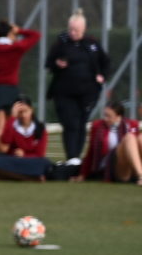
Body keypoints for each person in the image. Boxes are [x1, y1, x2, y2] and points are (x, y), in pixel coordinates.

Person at [45, 10, 109, 163]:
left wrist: (102, 76)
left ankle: (76, 158)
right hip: (64, 92)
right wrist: (57, 64)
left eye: (77, 30)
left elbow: (105, 62)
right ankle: (72, 156)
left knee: (81, 124)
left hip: (88, 93)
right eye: (71, 30)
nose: (73, 33)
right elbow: (49, 63)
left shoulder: (92, 44)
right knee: (70, 123)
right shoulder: (61, 43)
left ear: (84, 29)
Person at [0, 19, 40, 136]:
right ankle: (5, 153)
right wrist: (19, 30)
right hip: (11, 90)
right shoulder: (16, 48)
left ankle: (0, 153)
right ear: (10, 34)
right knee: (10, 128)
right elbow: (35, 35)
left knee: (0, 128)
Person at [0, 97, 51, 181]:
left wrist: (25, 155)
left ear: (31, 110)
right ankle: (29, 177)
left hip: (31, 162)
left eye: (26, 111)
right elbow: (5, 141)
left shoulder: (40, 129)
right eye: (20, 112)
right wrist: (12, 118)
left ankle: (8, 175)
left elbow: (40, 154)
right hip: (13, 161)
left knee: (44, 163)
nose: (23, 115)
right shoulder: (13, 125)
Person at [78, 101, 142, 184]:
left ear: (118, 117)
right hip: (113, 168)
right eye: (105, 115)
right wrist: (83, 174)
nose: (105, 119)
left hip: (131, 168)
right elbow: (91, 152)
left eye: (109, 116)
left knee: (140, 137)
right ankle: (140, 176)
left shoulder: (132, 124)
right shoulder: (97, 126)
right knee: (129, 137)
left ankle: (138, 173)